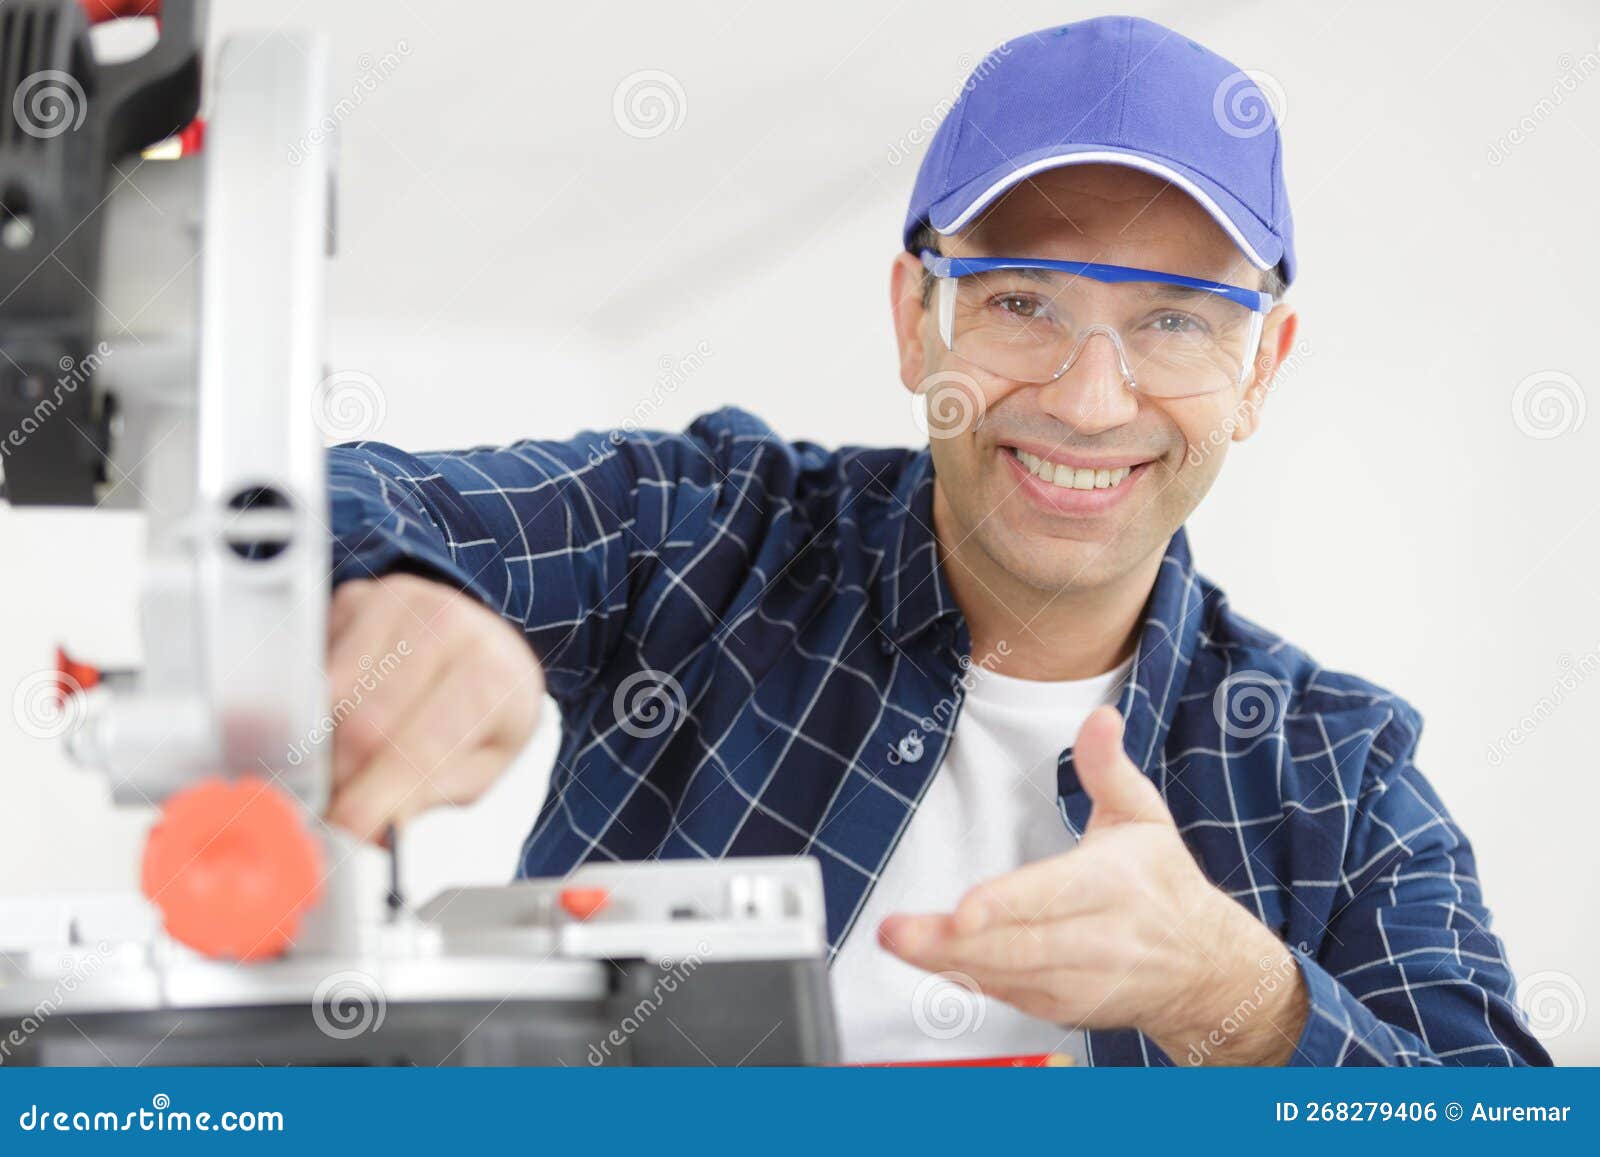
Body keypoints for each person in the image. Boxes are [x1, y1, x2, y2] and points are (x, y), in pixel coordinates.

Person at [323, 15, 1548, 1066]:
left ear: (1257, 373)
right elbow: (315, 496)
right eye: (1023, 301)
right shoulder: (695, 532)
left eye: (1176, 320)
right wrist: (389, 588)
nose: (1088, 399)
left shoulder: (1338, 769)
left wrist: (1230, 992)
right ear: (918, 319)